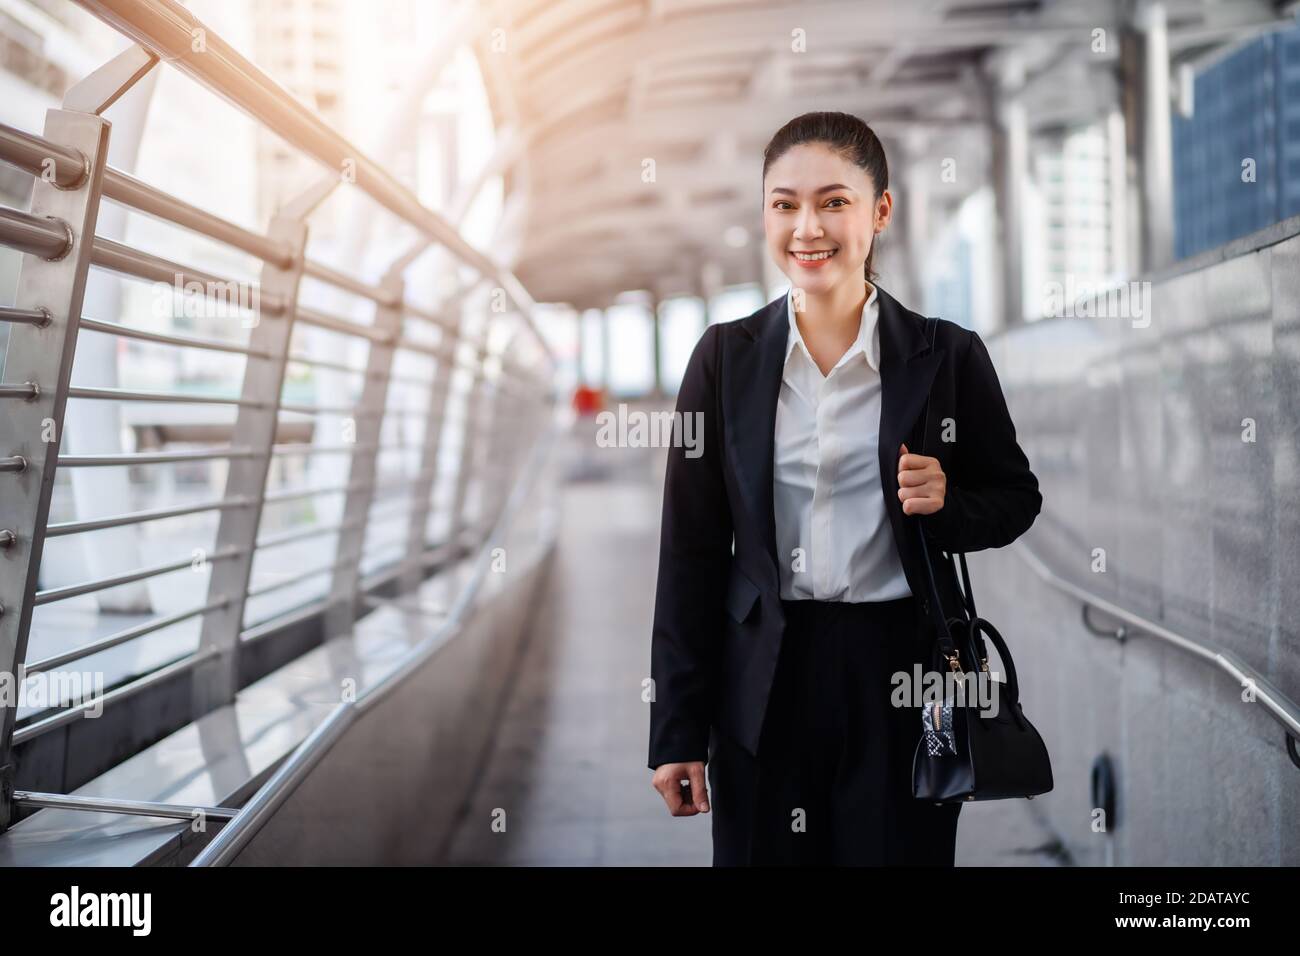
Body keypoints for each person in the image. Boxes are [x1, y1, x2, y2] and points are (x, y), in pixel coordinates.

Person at [646, 111, 1043, 865]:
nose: (807, 227)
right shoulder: (723, 360)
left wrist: (948, 501)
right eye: (784, 203)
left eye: (834, 201)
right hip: (763, 678)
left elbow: (1016, 497)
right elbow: (689, 555)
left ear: (880, 211)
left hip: (902, 672)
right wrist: (675, 733)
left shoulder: (947, 355)